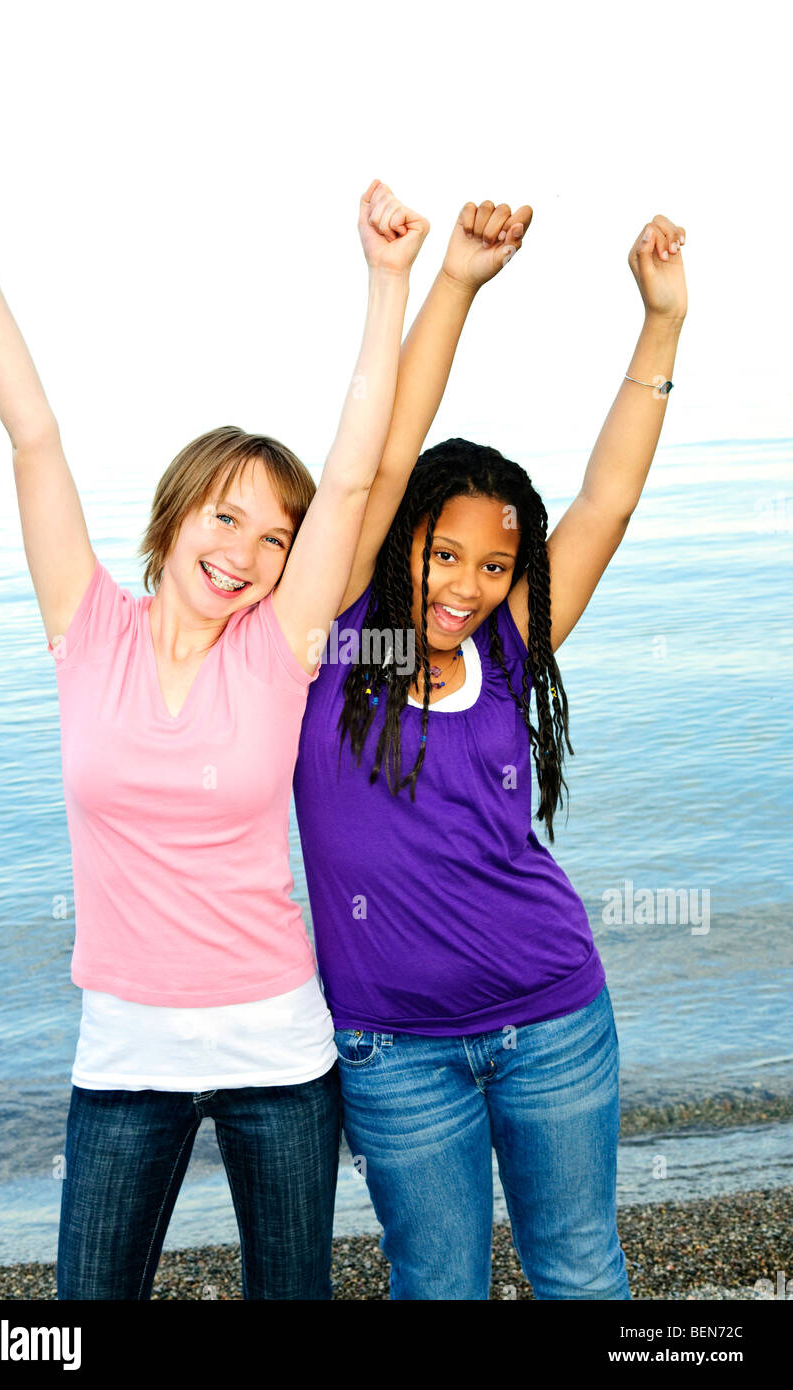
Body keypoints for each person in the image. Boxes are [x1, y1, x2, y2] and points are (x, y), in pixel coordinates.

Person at [0, 159, 431, 1299]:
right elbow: (33, 440)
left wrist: (386, 278)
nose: (245, 554)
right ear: (174, 514)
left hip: (279, 1054)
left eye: (273, 537)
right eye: (226, 517)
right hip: (124, 1054)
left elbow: (353, 482)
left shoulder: (276, 648)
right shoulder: (86, 626)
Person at [293, 201, 688, 1299]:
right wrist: (454, 282)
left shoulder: (506, 658)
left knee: (576, 1267)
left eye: (493, 568)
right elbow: (371, 466)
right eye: (443, 553)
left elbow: (605, 498)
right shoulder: (327, 651)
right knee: (436, 1283)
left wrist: (658, 322)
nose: (465, 586)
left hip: (553, 1017)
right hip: (392, 1053)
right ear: (400, 542)